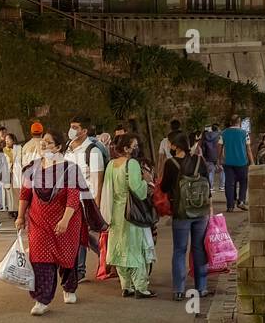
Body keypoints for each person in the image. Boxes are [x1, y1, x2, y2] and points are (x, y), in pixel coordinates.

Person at [16, 129, 83, 315]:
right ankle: (42, 299)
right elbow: (25, 194)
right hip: (38, 222)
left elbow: (73, 197)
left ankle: (69, 288)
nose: (43, 145)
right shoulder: (32, 168)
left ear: (59, 147)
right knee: (40, 260)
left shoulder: (70, 169)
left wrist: (65, 220)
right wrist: (20, 216)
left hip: (66, 221)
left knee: (67, 258)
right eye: (42, 142)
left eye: (48, 142)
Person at [160, 131, 210, 302]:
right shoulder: (198, 160)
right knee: (199, 248)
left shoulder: (170, 163)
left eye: (170, 143)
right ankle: (201, 287)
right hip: (200, 211)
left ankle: (179, 290)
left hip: (181, 212)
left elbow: (165, 187)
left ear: (175, 146)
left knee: (180, 250)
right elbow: (208, 186)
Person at [106, 134, 156, 298]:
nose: (136, 148)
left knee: (120, 248)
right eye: (134, 146)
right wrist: (146, 181)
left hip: (116, 211)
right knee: (135, 248)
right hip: (131, 212)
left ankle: (126, 285)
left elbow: (108, 189)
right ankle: (141, 287)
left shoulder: (112, 164)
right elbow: (137, 189)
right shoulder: (132, 163)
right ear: (126, 149)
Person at [66, 116, 105, 281]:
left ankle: (80, 271)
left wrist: (96, 206)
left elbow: (98, 181)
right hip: (71, 201)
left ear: (84, 131)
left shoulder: (93, 151)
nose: (72, 130)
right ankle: (107, 258)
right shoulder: (68, 149)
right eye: (71, 126)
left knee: (79, 235)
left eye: (75, 127)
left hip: (86, 201)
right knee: (82, 236)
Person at [221, 116, 252, 212]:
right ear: (240, 123)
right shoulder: (244, 133)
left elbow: (219, 146)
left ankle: (230, 206)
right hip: (242, 162)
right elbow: (248, 149)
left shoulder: (224, 133)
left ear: (230, 122)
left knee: (229, 183)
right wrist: (252, 162)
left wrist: (219, 158)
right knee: (243, 181)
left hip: (228, 162)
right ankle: (241, 201)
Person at [0, 133, 19, 219]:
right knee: (9, 193)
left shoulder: (18, 149)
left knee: (16, 193)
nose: (6, 141)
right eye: (6, 139)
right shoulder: (4, 150)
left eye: (9, 139)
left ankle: (17, 210)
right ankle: (12, 210)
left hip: (16, 174)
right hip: (7, 174)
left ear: (13, 140)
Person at [199, 123, 221, 192]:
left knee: (210, 172)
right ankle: (222, 185)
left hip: (208, 155)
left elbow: (203, 147)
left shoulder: (205, 136)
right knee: (222, 170)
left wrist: (204, 155)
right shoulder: (219, 136)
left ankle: (210, 187)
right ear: (217, 129)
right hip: (217, 155)